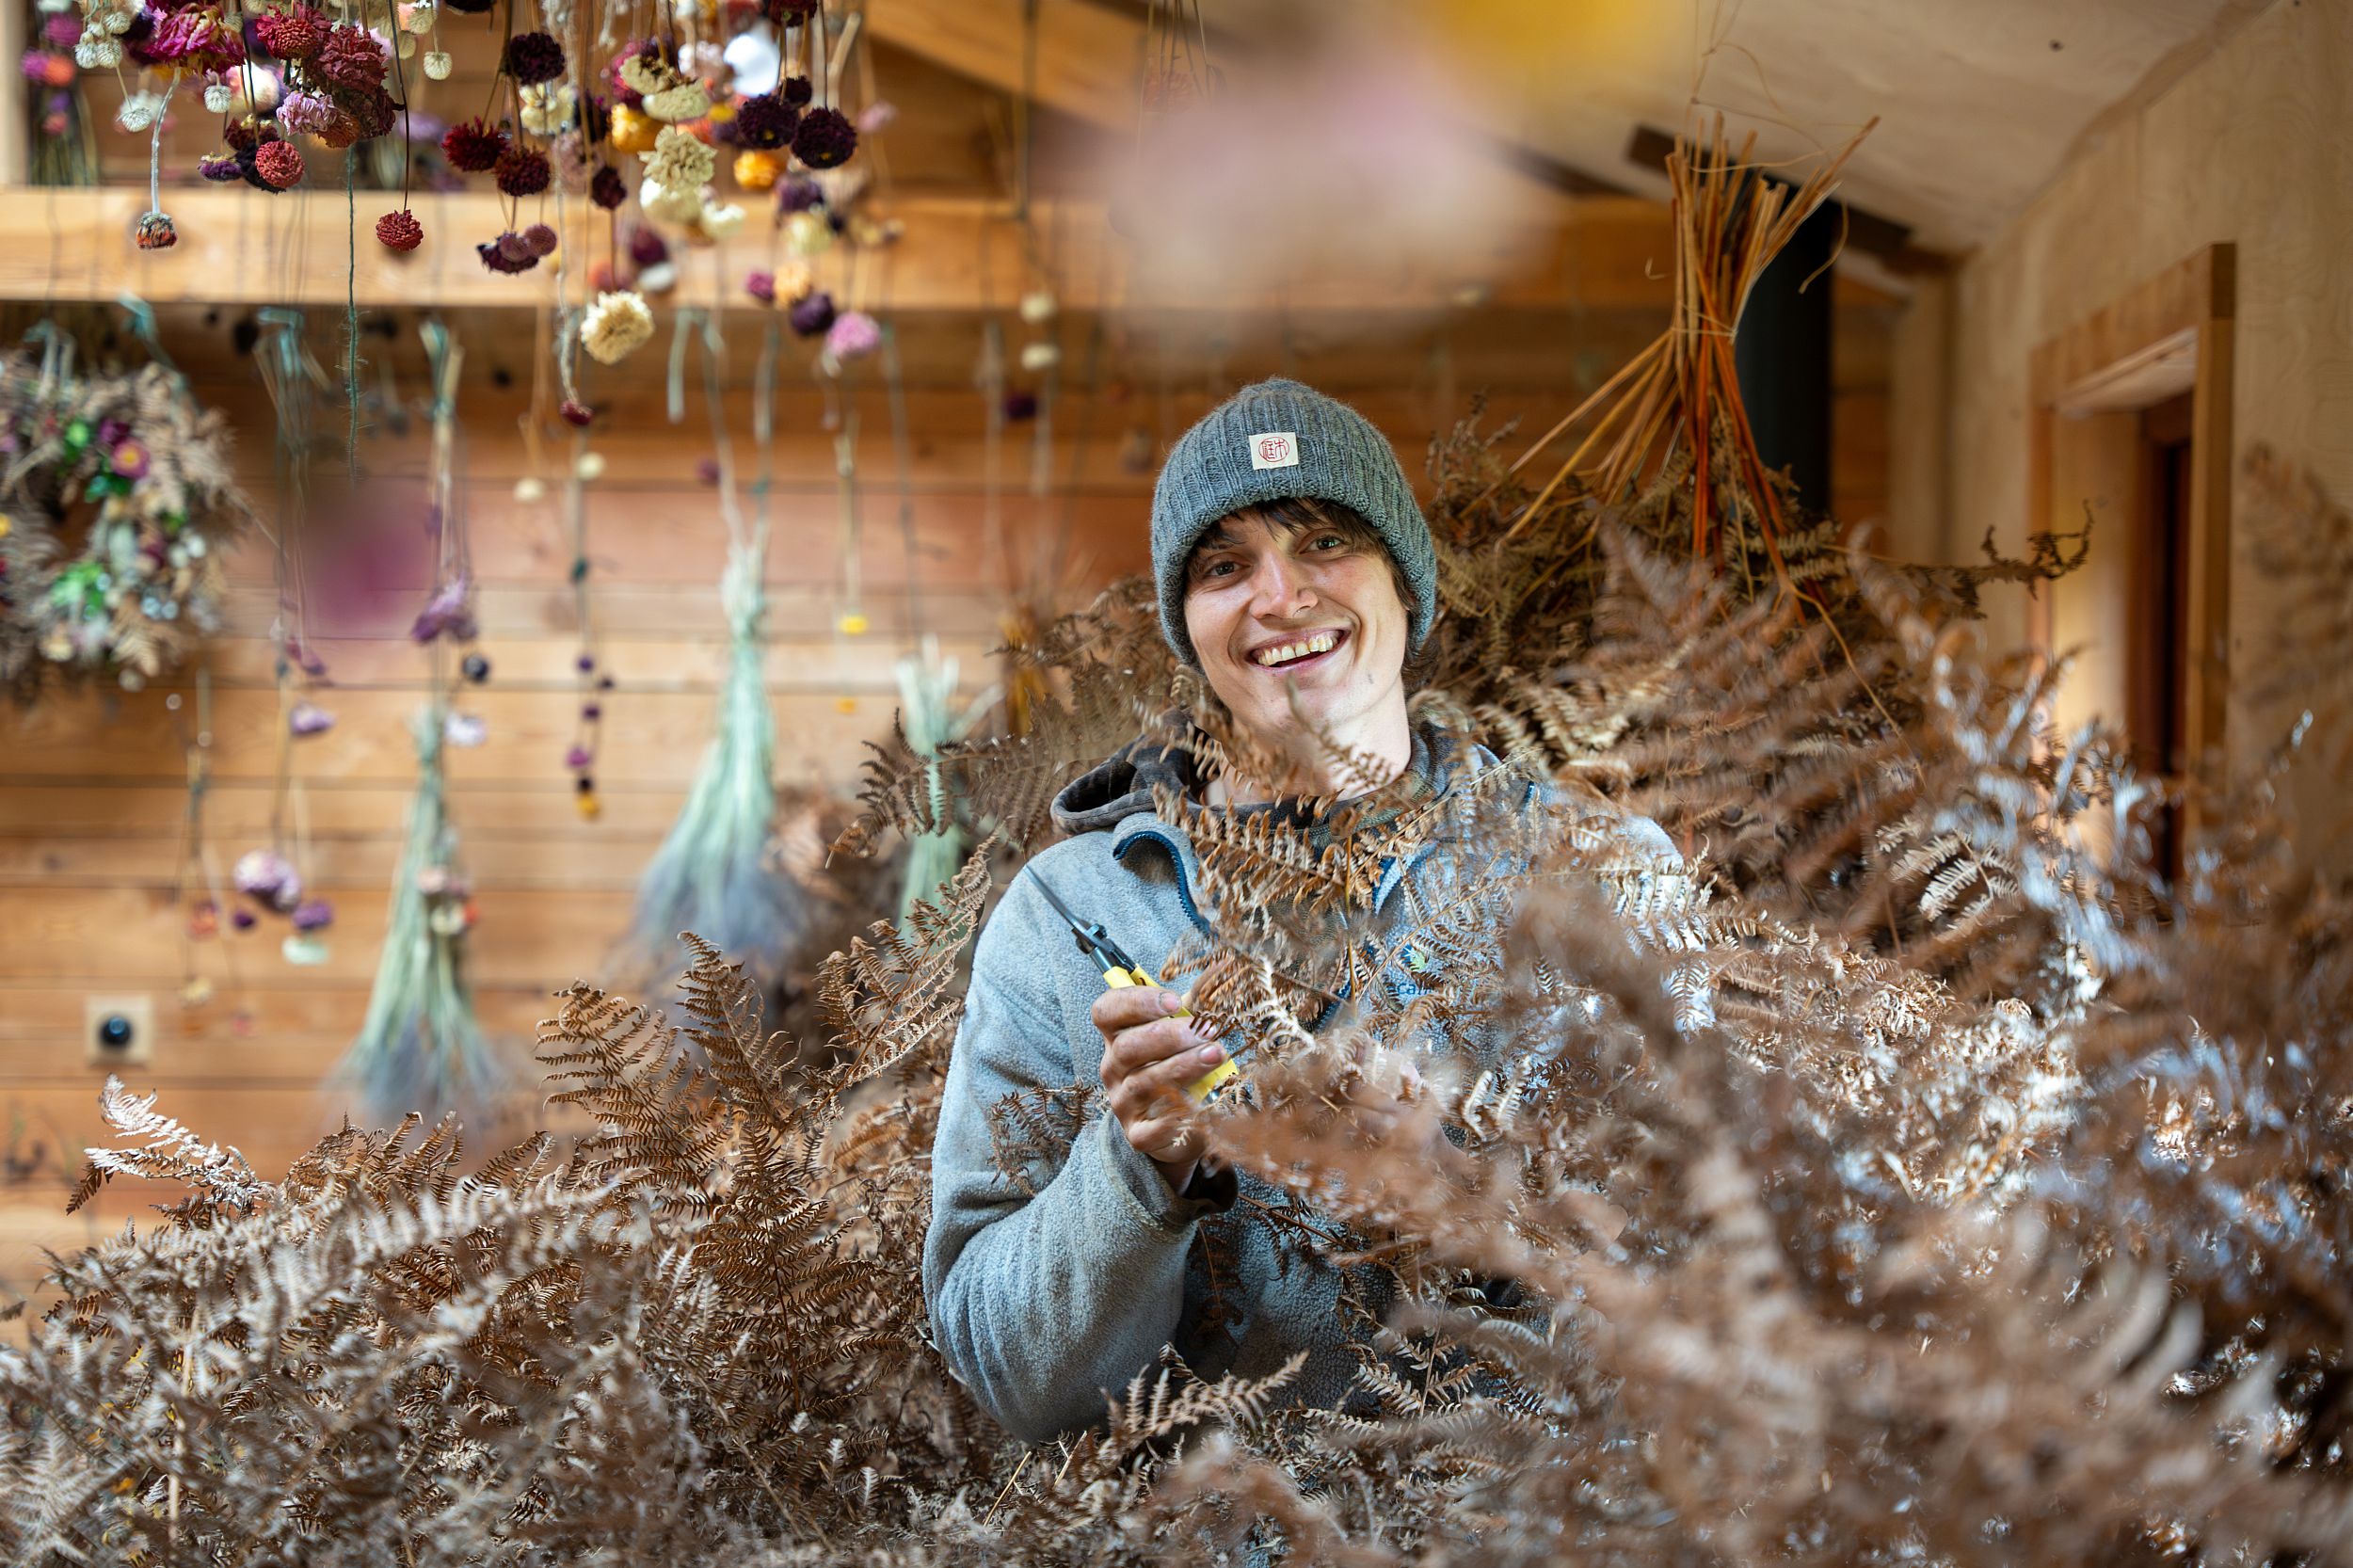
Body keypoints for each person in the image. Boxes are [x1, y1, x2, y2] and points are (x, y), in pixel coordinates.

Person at [922, 378, 1677, 1442]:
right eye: (1224, 566)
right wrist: (1141, 1168)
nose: (1279, 596)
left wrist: (1477, 1191)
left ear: (1407, 584)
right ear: (1189, 626)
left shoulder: (1602, 875)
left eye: (1324, 541)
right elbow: (1004, 1376)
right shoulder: (1068, 914)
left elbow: (1718, 1286)